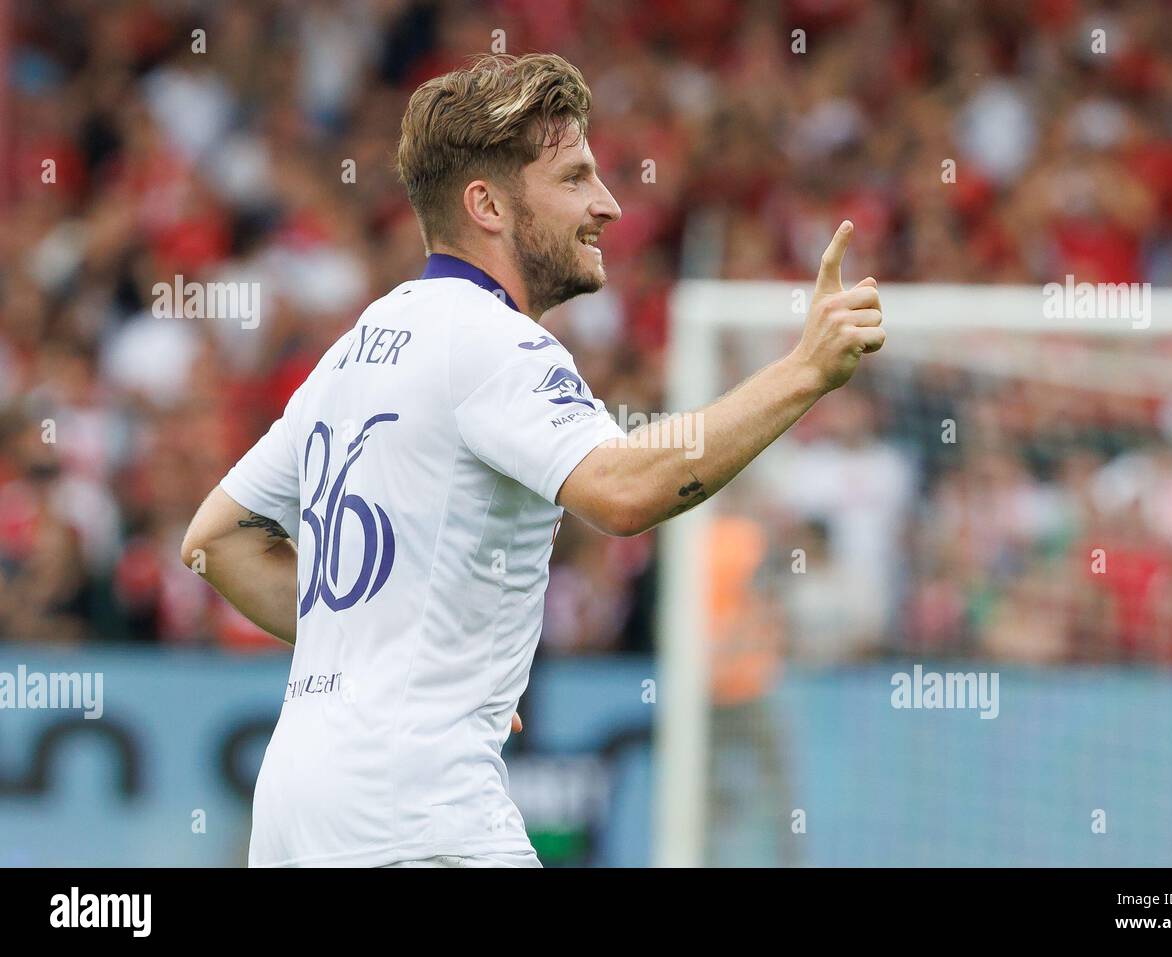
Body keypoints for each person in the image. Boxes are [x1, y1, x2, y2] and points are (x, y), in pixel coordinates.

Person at [179, 52, 885, 868]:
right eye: (575, 177)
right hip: (418, 813)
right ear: (488, 205)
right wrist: (803, 373)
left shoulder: (358, 347)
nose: (608, 205)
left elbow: (216, 537)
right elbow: (623, 491)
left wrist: (405, 649)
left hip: (298, 812)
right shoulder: (497, 342)